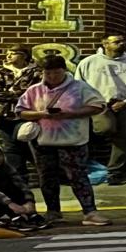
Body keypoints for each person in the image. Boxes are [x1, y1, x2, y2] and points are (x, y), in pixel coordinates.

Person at [16, 54, 110, 225]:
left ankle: (90, 211)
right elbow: (21, 111)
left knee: (78, 176)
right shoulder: (35, 90)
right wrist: (41, 114)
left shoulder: (80, 87)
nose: (52, 77)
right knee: (46, 177)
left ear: (64, 71)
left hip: (73, 140)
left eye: (56, 73)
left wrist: (71, 114)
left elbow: (98, 105)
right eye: (48, 73)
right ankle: (53, 211)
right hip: (43, 141)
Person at [78, 33, 126, 184]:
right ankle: (92, 161)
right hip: (99, 104)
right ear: (105, 44)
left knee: (122, 136)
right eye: (116, 41)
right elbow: (79, 84)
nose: (121, 44)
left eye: (123, 40)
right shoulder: (89, 62)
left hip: (123, 104)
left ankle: (115, 171)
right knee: (105, 128)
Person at [0, 44, 43, 181]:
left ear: (24, 56)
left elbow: (36, 93)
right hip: (4, 116)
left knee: (32, 147)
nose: (8, 56)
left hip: (27, 116)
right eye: (8, 53)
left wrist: (10, 93)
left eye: (13, 53)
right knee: (11, 149)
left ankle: (50, 174)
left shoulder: (36, 72)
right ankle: (18, 179)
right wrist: (19, 95)